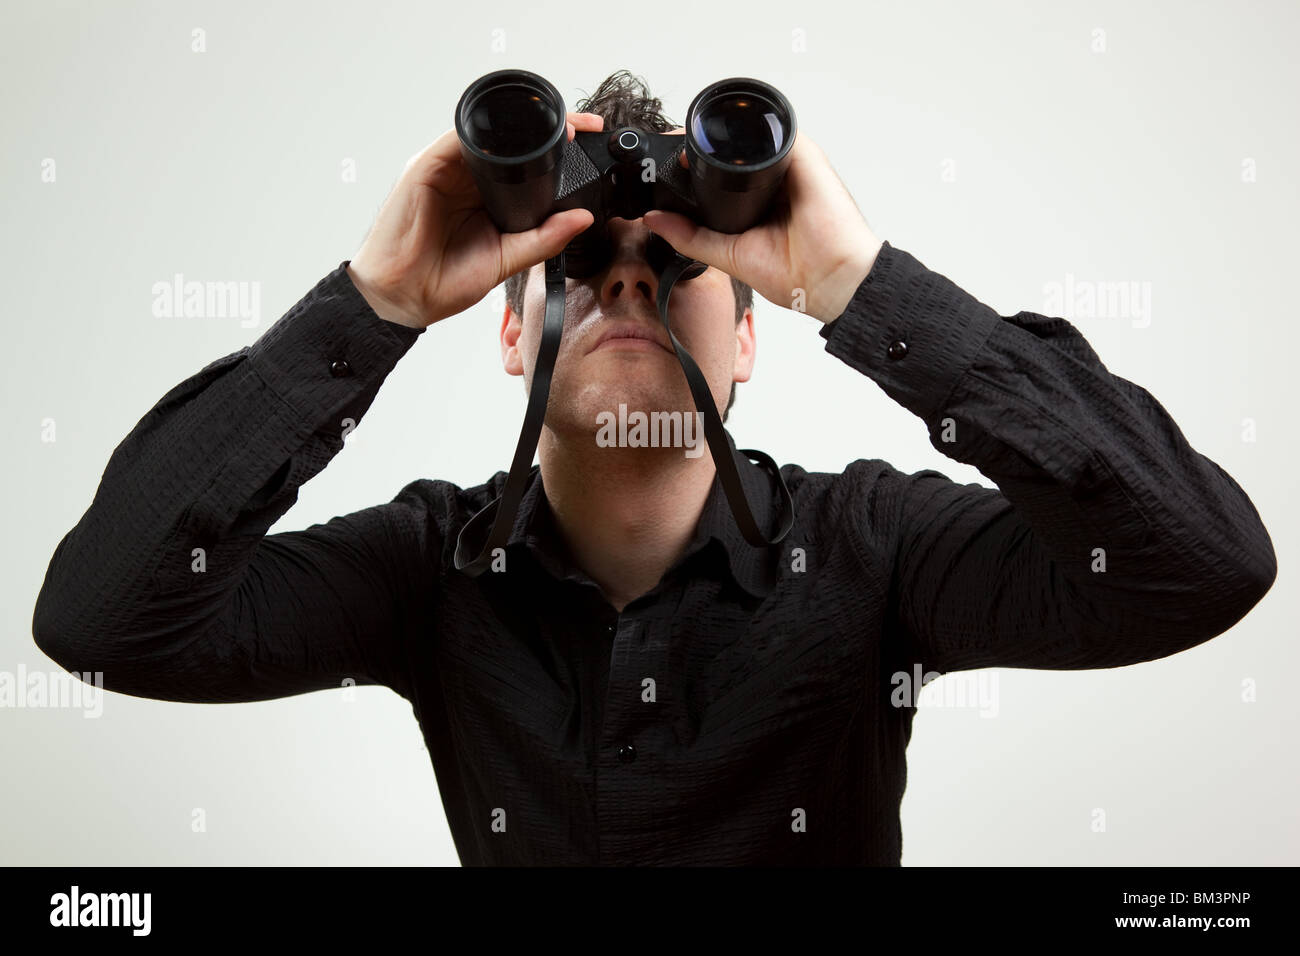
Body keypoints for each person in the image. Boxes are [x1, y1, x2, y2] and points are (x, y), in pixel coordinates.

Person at [32, 72, 1276, 865]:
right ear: (508, 331)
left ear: (753, 338)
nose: (628, 276)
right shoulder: (431, 571)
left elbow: (1200, 565)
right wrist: (375, 303)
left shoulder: (873, 548)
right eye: (576, 262)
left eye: (680, 259)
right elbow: (102, 619)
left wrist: (864, 288)